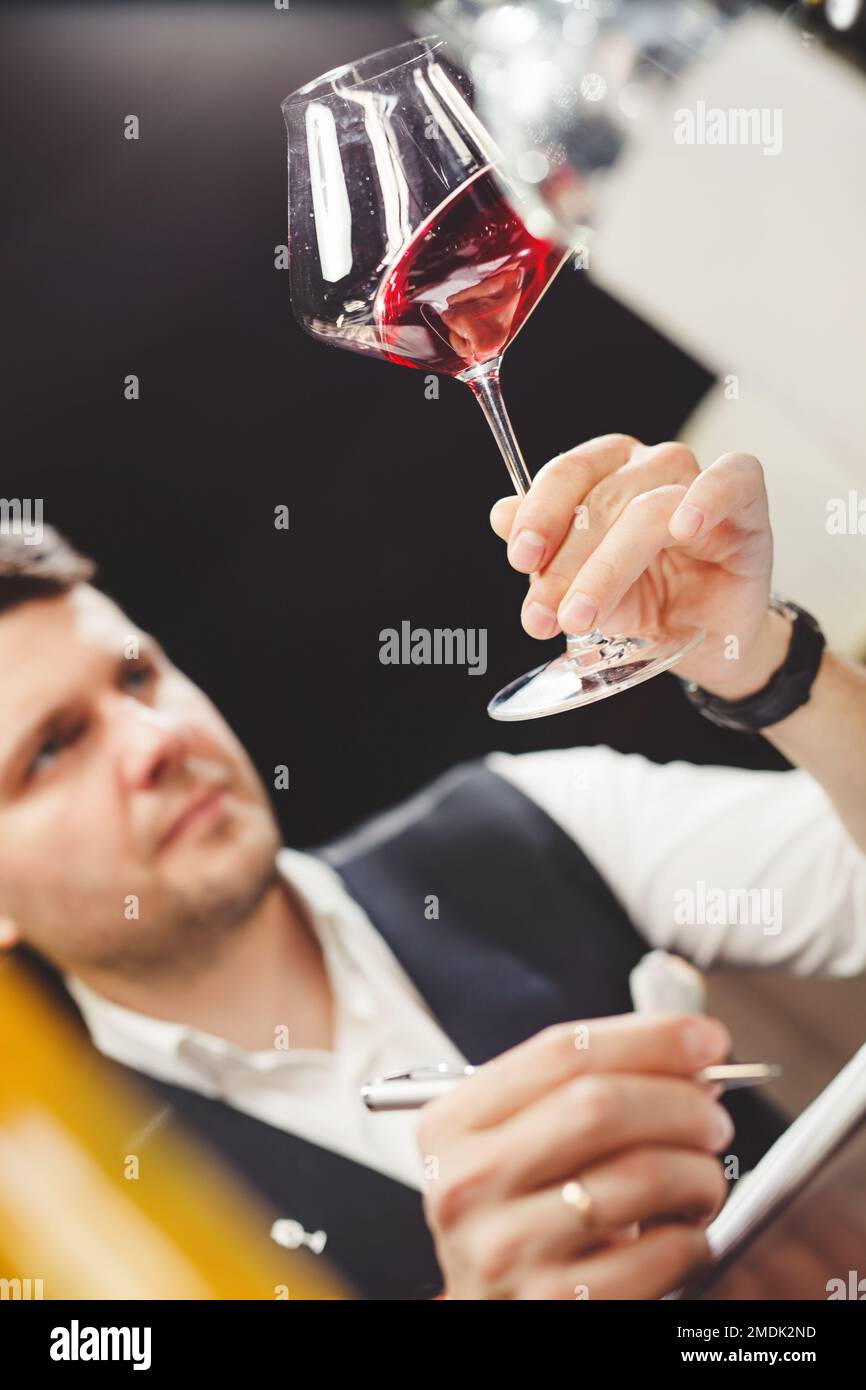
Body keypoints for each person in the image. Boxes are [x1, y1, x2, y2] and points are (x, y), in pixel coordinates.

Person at [1, 437, 864, 1300]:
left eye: (138, 675)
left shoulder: (523, 821)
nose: (157, 744)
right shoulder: (82, 1207)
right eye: (50, 750)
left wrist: (764, 662)